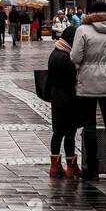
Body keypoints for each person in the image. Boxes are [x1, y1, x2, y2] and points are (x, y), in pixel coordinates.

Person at [70, 0, 106, 181]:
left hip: (88, 81)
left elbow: (76, 56)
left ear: (91, 13)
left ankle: (92, 169)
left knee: (89, 126)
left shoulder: (83, 30)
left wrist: (82, 65)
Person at [47, 25, 81, 179]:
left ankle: (55, 166)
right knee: (69, 133)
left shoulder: (56, 52)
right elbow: (72, 79)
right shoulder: (64, 57)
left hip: (57, 97)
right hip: (67, 98)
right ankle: (71, 168)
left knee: (58, 132)